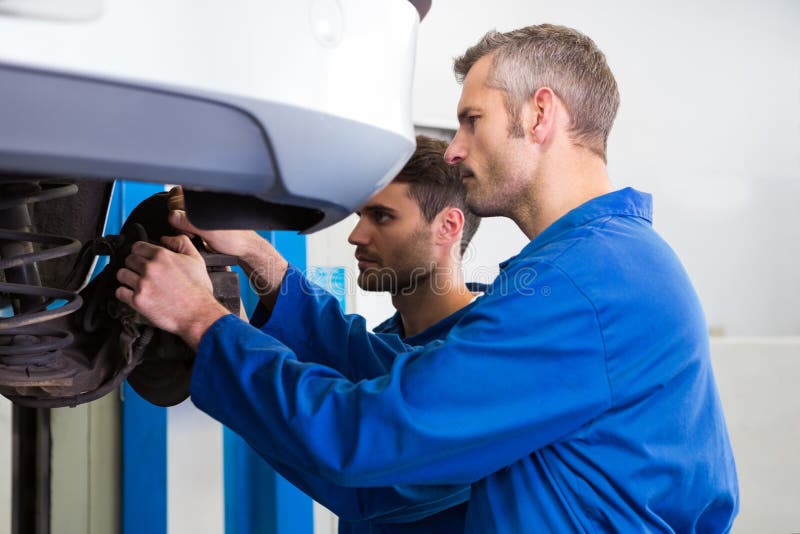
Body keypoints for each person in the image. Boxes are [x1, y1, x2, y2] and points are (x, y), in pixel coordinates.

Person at [116, 24, 739, 532]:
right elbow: (397, 378)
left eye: (473, 120)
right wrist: (269, 267)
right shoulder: (601, 265)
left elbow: (367, 439)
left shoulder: (583, 285)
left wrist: (202, 320)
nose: (455, 149)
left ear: (540, 113)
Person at [168, 135, 485, 532]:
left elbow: (367, 473)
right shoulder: (387, 342)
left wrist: (204, 321)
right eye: (360, 217)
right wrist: (250, 249)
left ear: (448, 227)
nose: (357, 236)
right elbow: (342, 349)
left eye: (382, 217)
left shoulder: (487, 363)